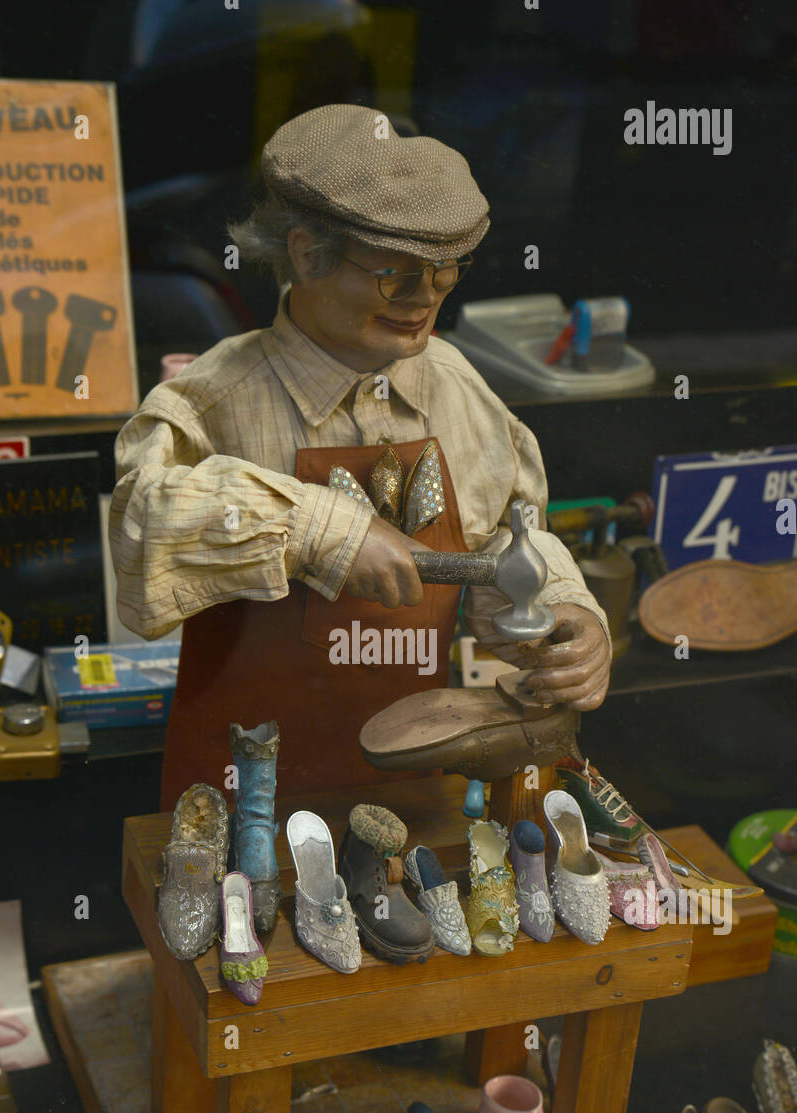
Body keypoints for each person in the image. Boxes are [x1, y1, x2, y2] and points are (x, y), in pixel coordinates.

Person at [109, 105, 611, 803]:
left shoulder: (457, 387)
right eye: (396, 275)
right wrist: (321, 529)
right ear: (308, 254)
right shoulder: (215, 398)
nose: (423, 302)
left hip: (409, 768)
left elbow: (507, 543)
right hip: (241, 779)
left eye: (445, 274)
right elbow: (141, 533)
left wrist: (563, 621)